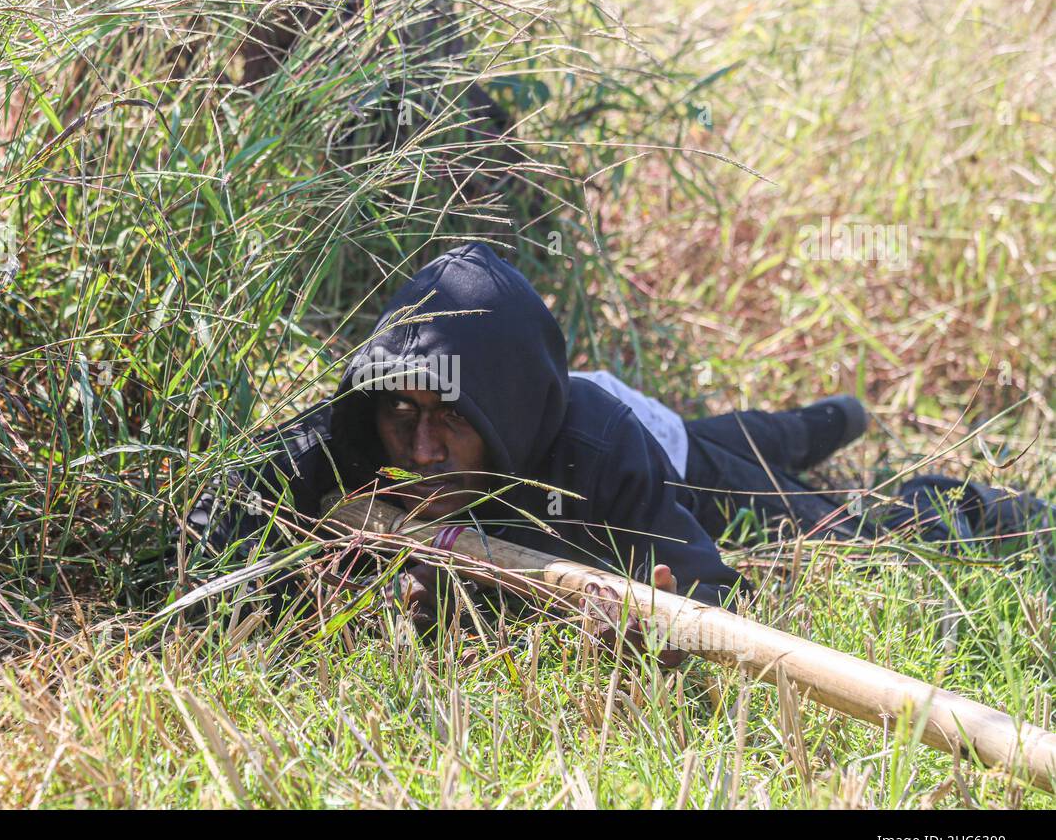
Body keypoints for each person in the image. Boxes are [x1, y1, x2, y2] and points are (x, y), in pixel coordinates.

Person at [189, 242, 1052, 632]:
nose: (420, 450)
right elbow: (224, 518)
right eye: (403, 415)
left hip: (663, 455)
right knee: (755, 434)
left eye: (451, 421)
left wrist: (649, 627)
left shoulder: (598, 449)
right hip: (601, 412)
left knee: (831, 518)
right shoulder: (358, 433)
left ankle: (986, 502)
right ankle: (832, 418)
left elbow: (710, 593)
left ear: (505, 421)